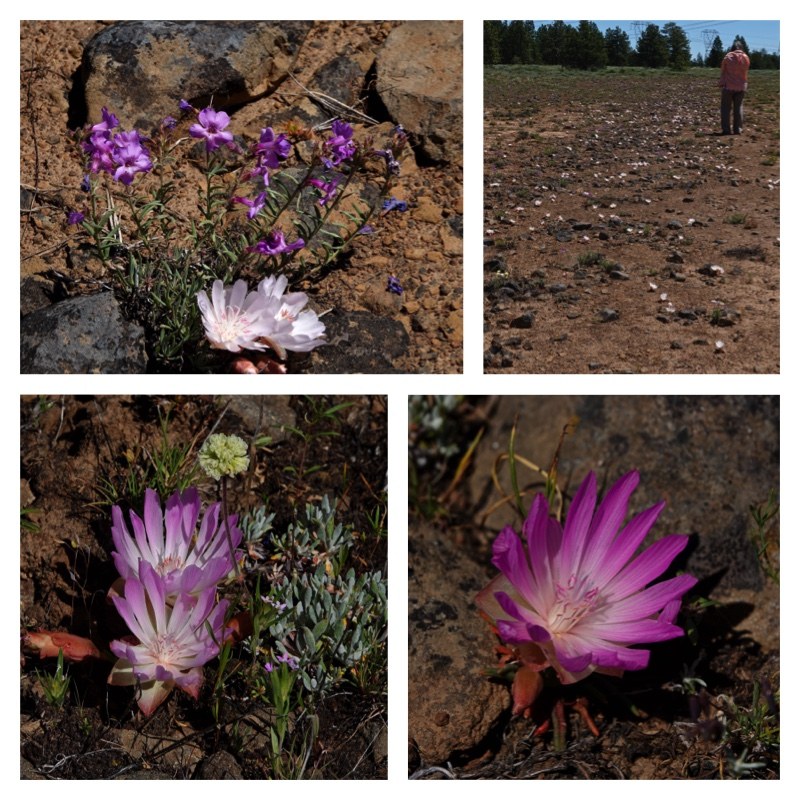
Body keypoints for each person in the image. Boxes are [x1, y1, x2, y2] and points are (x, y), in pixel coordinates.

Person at [719, 40, 750, 135]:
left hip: (728, 86)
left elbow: (723, 70)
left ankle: (726, 129)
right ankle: (738, 129)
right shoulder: (746, 57)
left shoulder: (728, 57)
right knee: (739, 108)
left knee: (725, 108)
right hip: (741, 86)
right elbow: (746, 70)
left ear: (732, 48)